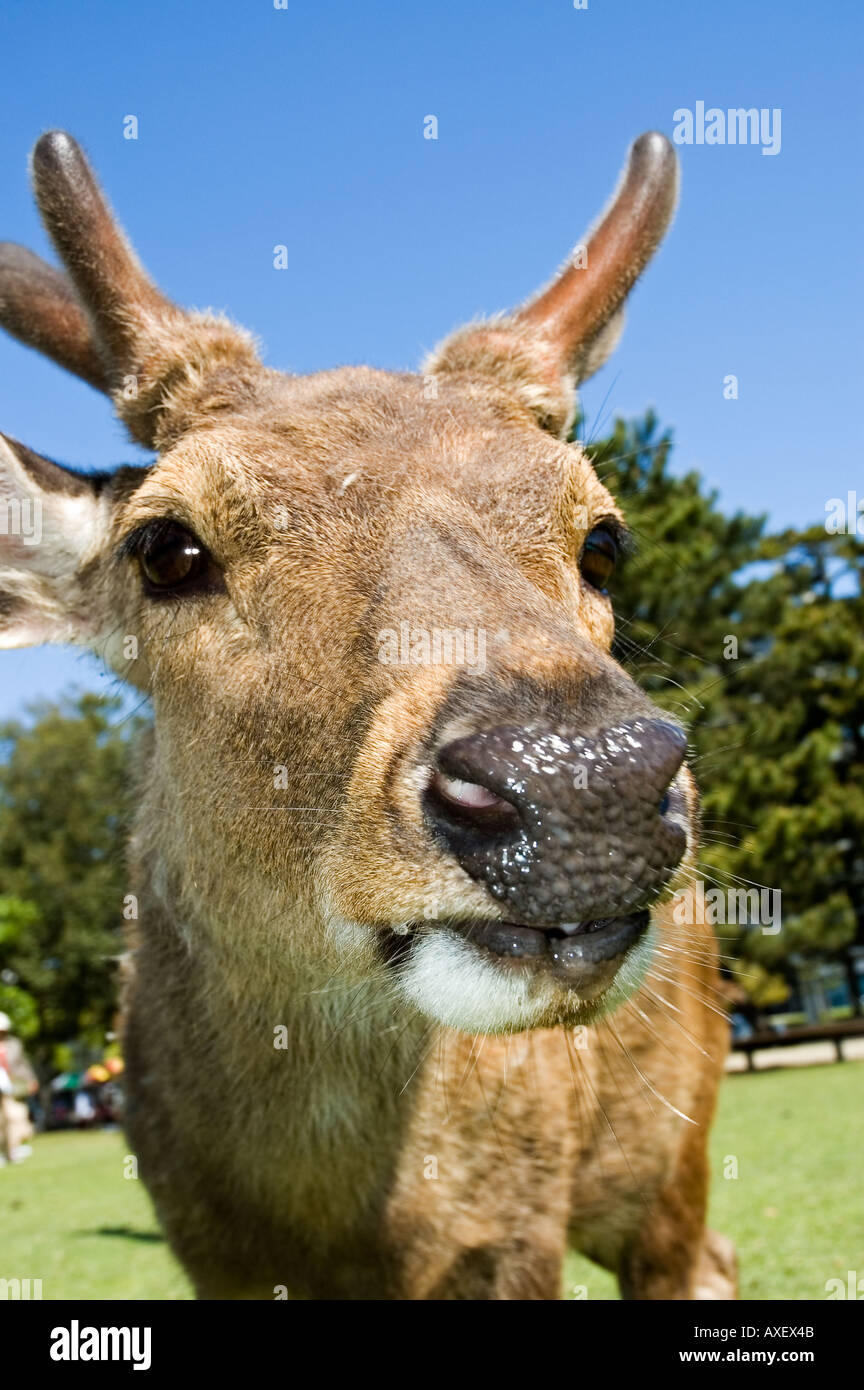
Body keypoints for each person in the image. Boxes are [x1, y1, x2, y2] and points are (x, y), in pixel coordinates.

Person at [0, 1012, 38, 1164]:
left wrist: (30, 1079)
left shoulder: (14, 1044)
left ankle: (14, 1149)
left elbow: (23, 1064)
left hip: (12, 1088)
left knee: (16, 1117)